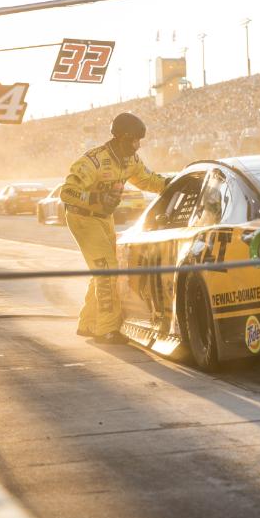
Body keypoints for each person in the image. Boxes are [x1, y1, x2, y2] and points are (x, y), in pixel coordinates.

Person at [61, 112, 168, 344]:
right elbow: (66, 192)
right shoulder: (93, 161)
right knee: (107, 268)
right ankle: (107, 329)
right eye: (134, 141)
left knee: (102, 269)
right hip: (82, 218)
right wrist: (95, 197)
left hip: (104, 219)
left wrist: (171, 184)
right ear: (121, 137)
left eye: (139, 141)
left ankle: (89, 323)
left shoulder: (131, 161)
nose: (137, 146)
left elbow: (149, 180)